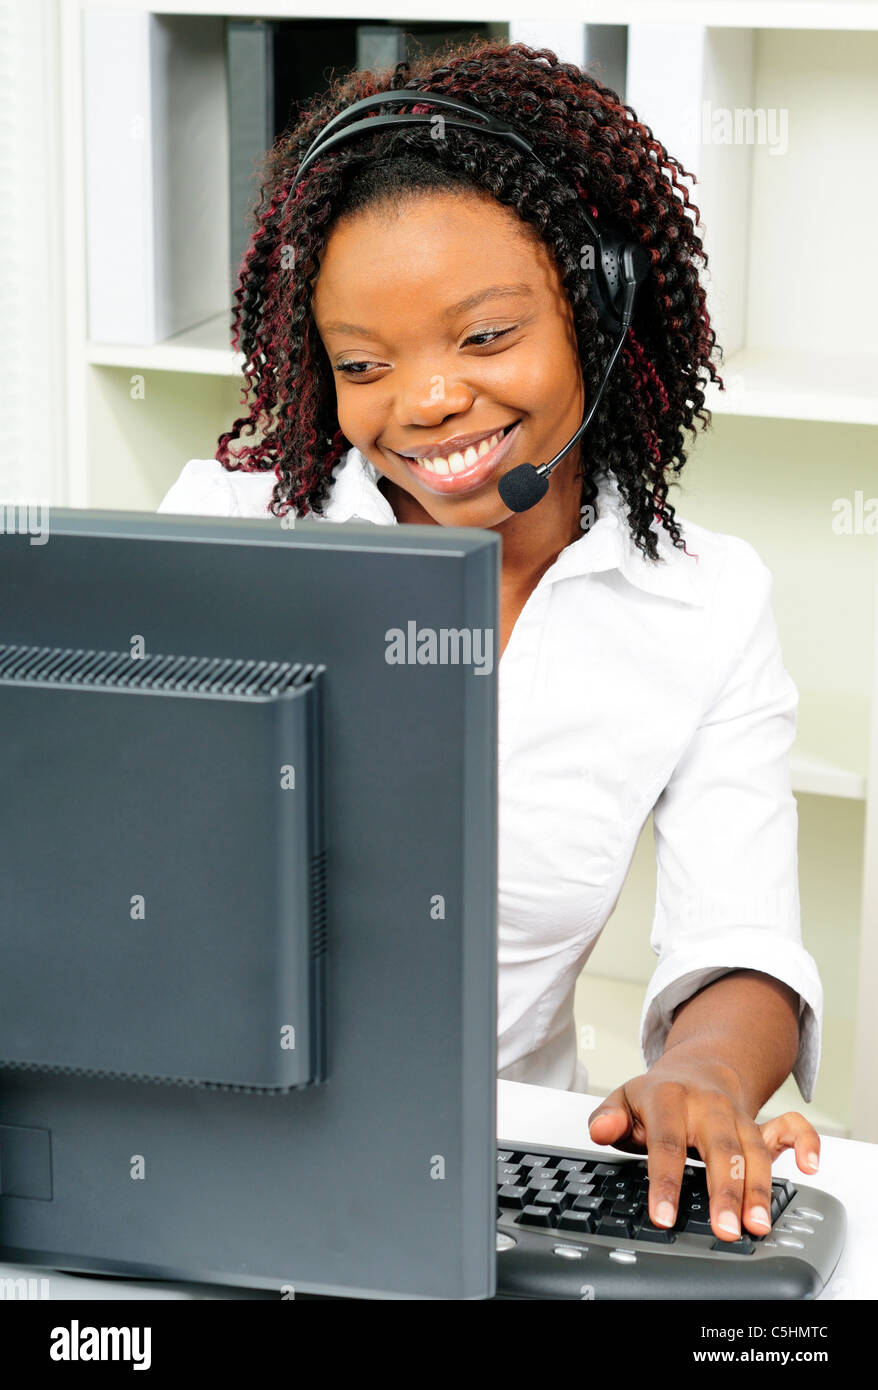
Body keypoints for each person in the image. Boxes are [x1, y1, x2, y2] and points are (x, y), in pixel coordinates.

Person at [158, 39, 824, 1244]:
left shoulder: (705, 601)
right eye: (363, 363)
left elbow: (740, 939)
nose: (421, 403)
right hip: (198, 1144)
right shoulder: (222, 535)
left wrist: (709, 1073)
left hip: (491, 1165)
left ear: (601, 306)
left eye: (480, 338)